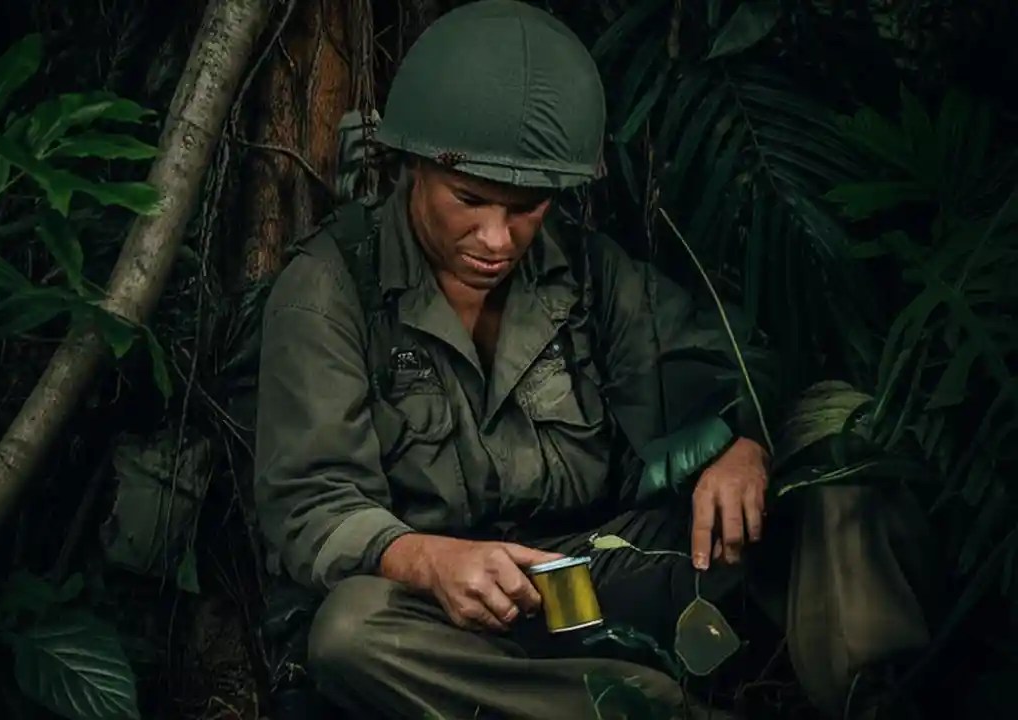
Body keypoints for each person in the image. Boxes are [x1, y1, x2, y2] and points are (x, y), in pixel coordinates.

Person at [252, 1, 935, 718]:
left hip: (593, 584)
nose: (497, 238)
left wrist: (746, 443)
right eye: (470, 200)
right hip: (452, 608)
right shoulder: (330, 291)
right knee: (351, 633)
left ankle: (870, 697)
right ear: (414, 166)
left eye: (527, 207)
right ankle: (641, 705)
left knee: (834, 435)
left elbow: (729, 361)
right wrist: (425, 559)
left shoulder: (585, 270)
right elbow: (310, 505)